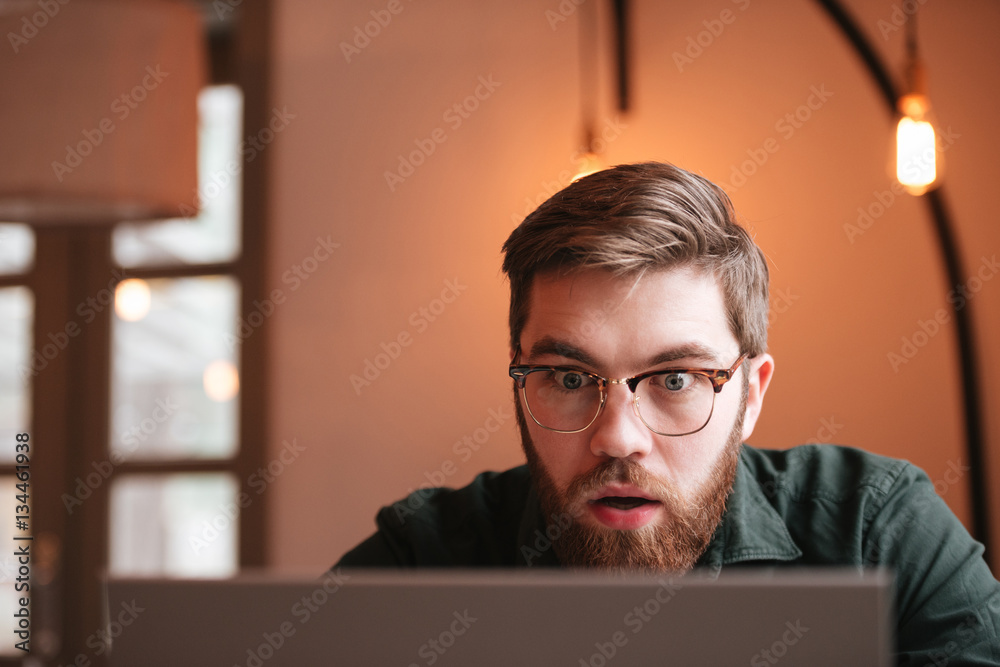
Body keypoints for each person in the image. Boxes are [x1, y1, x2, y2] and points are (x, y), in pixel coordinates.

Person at [336, 161, 1000, 662]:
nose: (618, 437)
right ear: (519, 384)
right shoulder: (419, 564)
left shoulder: (876, 532)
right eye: (569, 376)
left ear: (751, 395)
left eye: (675, 377)